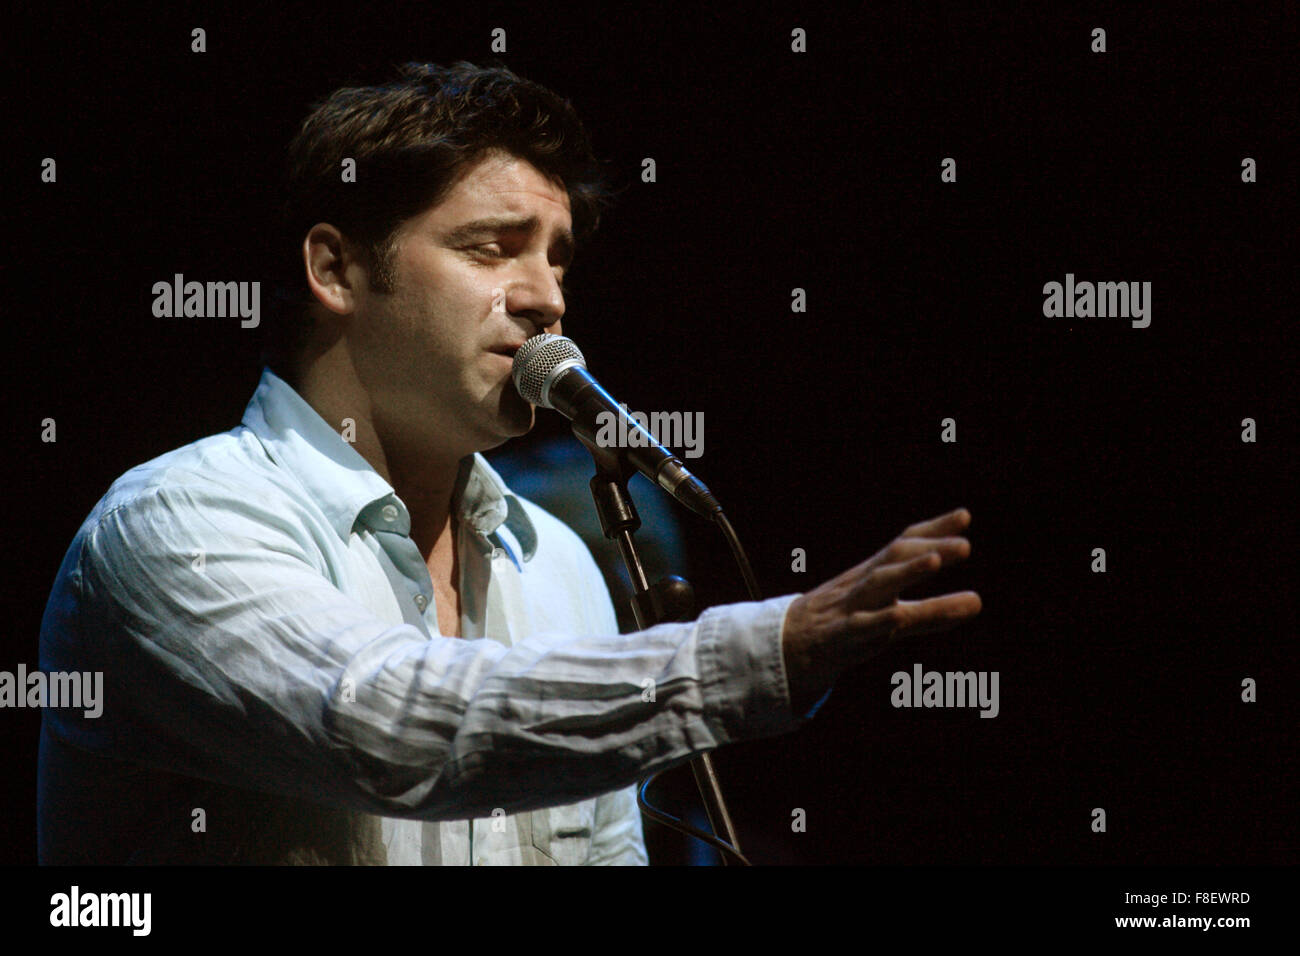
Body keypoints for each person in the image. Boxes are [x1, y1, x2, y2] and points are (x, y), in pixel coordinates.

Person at [37, 61, 982, 865]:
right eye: (492, 249)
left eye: (560, 261)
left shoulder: (561, 563)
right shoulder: (179, 521)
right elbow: (394, 730)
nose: (545, 298)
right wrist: (760, 654)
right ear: (336, 271)